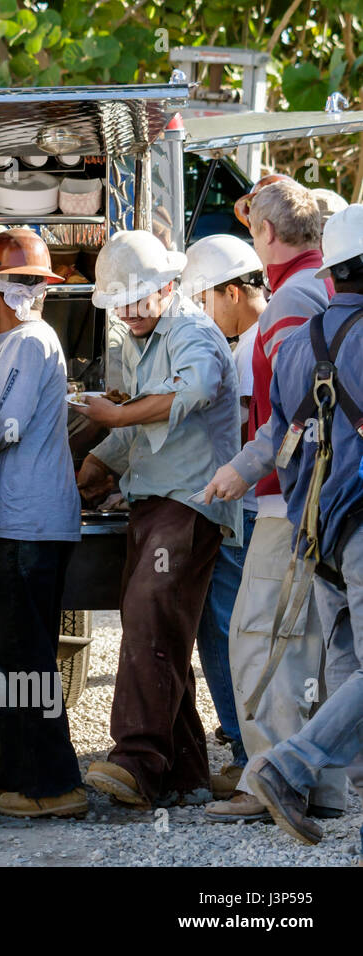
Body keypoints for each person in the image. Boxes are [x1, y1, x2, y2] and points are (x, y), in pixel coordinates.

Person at [75, 229, 242, 809]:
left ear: (169, 287)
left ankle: (136, 761)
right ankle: (186, 772)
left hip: (190, 501)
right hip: (153, 498)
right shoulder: (140, 339)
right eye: (118, 302)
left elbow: (187, 393)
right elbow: (140, 424)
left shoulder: (193, 331)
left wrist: (113, 420)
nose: (126, 311)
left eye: (136, 299)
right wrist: (95, 467)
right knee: (161, 629)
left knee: (149, 613)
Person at [199, 178, 348, 823]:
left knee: (264, 633)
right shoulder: (325, 284)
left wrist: (247, 468)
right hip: (329, 497)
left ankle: (270, 778)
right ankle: (323, 783)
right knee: (317, 642)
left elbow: (293, 416)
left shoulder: (290, 301)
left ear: (263, 233)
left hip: (296, 500)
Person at [241, 203, 363, 845]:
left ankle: (339, 791)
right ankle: (289, 767)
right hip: (362, 519)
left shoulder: (295, 339)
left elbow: (277, 434)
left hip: (318, 526)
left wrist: (242, 475)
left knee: (345, 660)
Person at [0, 229, 86, 818]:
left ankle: (52, 784)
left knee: (21, 654)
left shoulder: (25, 345)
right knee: (9, 650)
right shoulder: (35, 341)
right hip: (32, 519)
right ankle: (17, 767)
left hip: (28, 524)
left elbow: (0, 427)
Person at [178, 234, 266, 802]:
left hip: (251, 509)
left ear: (231, 291)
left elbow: (237, 435)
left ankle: (246, 751)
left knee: (226, 626)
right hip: (270, 506)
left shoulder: (247, 347)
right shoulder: (282, 324)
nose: (206, 314)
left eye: (206, 300)